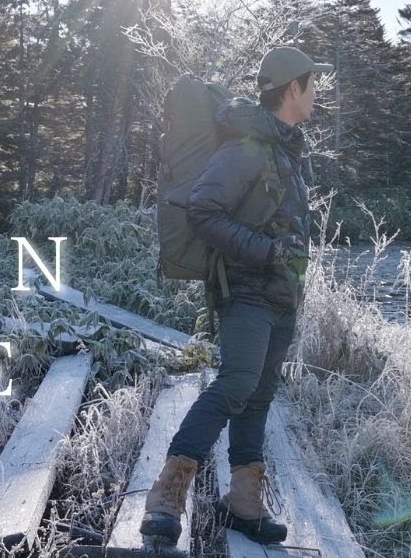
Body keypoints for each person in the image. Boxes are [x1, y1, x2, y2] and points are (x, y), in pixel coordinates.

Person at [140, 46, 330, 545]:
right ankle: (167, 494)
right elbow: (204, 210)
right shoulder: (245, 147)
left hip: (282, 294)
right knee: (235, 386)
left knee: (259, 395)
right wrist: (267, 253)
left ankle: (243, 501)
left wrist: (283, 265)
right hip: (246, 289)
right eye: (314, 84)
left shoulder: (287, 148)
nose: (318, 94)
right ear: (293, 88)